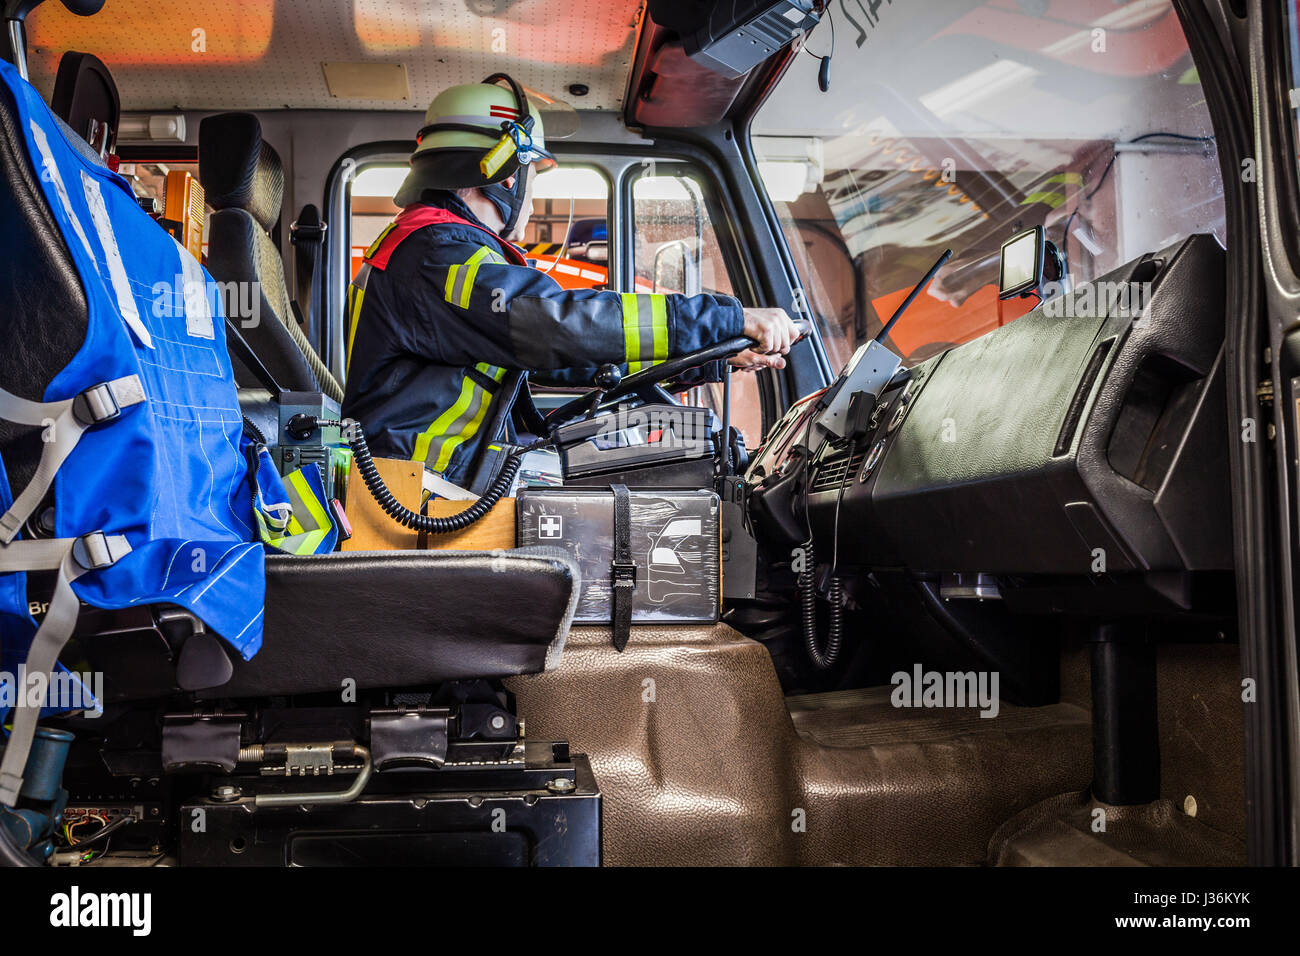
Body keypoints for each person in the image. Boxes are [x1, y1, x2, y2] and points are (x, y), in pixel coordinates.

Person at [341, 73, 798, 488]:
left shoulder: (433, 247)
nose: (532, 203)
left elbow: (567, 359)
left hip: (435, 480)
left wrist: (705, 359)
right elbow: (560, 325)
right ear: (503, 176)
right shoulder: (435, 254)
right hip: (414, 494)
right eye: (531, 180)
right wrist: (724, 318)